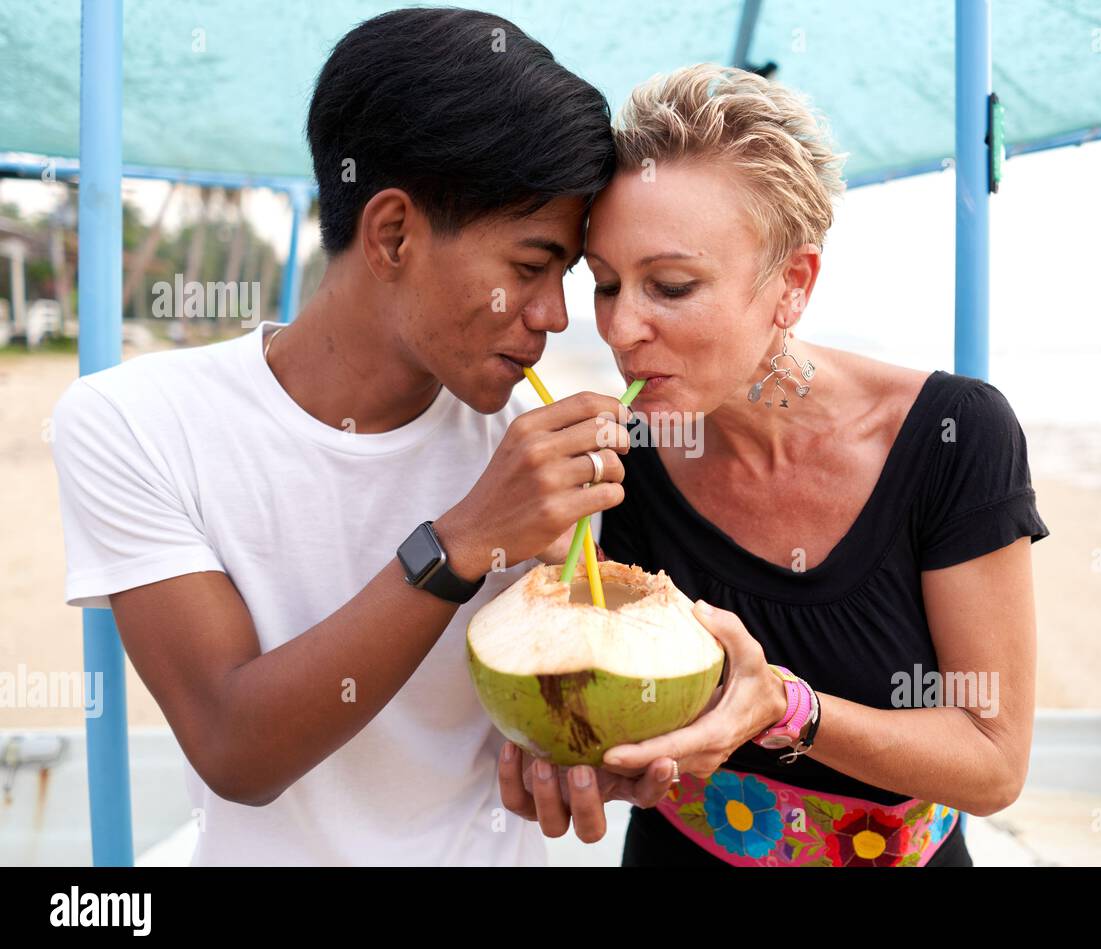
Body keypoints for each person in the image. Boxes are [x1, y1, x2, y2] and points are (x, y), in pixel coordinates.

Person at [50, 7, 673, 866]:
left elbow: (551, 724)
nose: (553, 317)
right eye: (528, 269)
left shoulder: (533, 449)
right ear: (392, 234)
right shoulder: (133, 424)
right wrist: (462, 544)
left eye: (566, 276)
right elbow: (236, 746)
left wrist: (583, 752)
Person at [499, 64, 1050, 866]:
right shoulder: (623, 461)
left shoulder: (953, 435)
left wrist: (784, 708)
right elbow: (602, 717)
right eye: (608, 285)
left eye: (672, 286)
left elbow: (993, 762)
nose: (621, 329)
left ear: (792, 283)